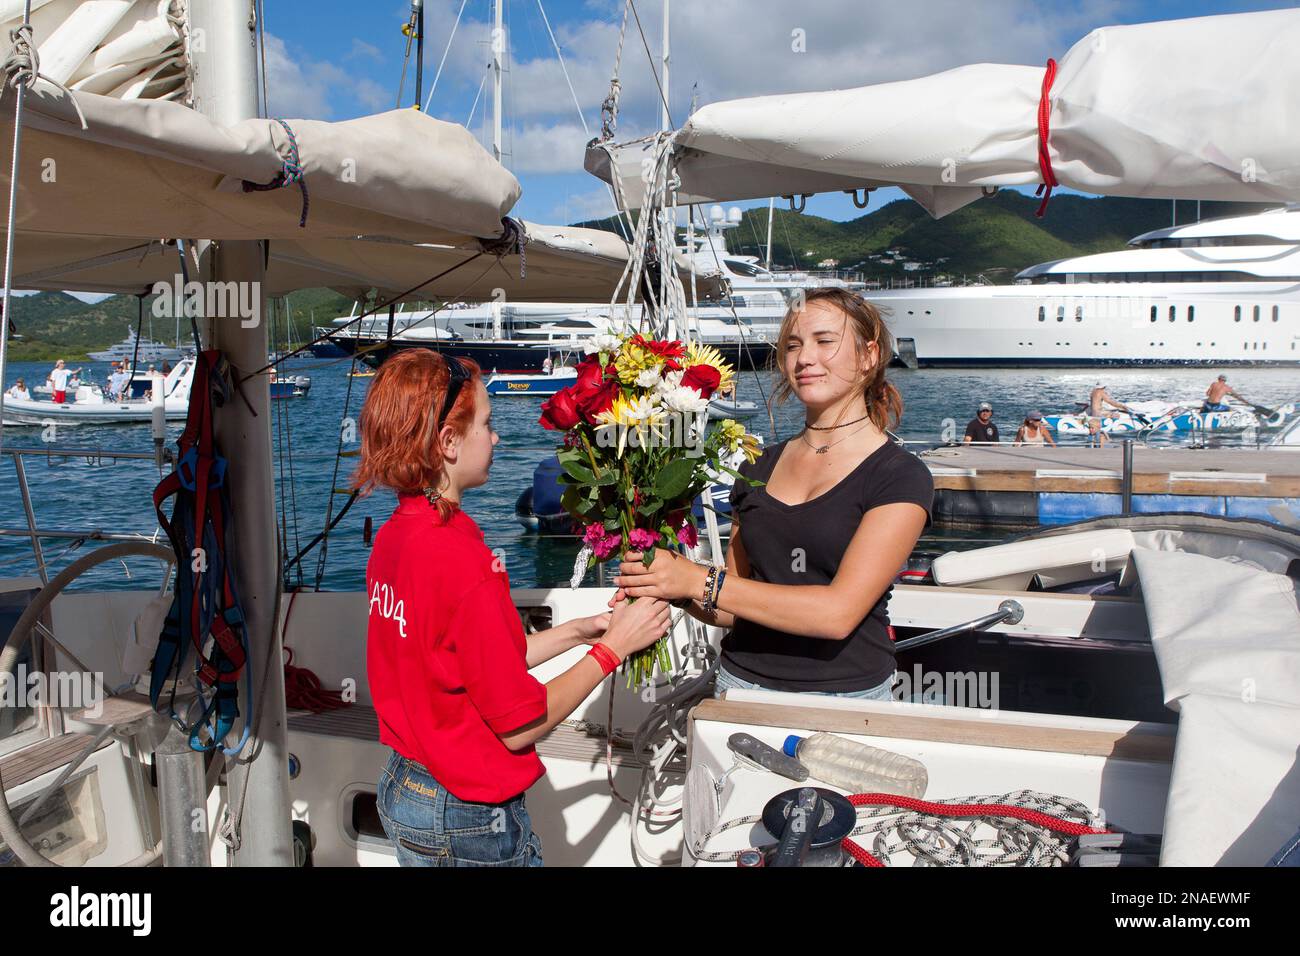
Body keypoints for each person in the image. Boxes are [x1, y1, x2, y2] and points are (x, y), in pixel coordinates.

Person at [356, 349, 669, 867]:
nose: (496, 438)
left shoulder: (395, 537)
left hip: (406, 787)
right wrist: (613, 651)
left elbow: (472, 664)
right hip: (466, 814)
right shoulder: (460, 557)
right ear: (449, 443)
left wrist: (581, 631)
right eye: (487, 424)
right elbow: (519, 726)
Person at [613, 288, 933, 699]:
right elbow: (729, 606)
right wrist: (671, 584)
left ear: (869, 355)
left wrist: (697, 579)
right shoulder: (756, 467)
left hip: (846, 699)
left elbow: (837, 614)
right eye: (793, 346)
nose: (804, 359)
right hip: (737, 686)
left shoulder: (900, 475)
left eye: (824, 341)